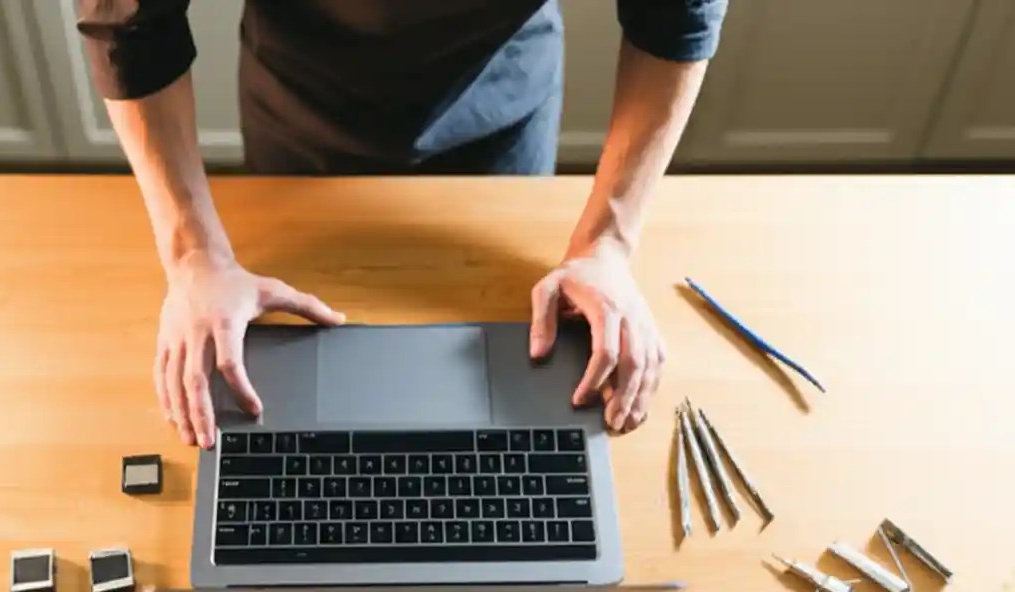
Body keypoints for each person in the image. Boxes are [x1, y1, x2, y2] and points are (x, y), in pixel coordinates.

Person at [77, 0, 728, 449]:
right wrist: (193, 257)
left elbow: (678, 13)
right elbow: (129, 23)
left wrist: (608, 244)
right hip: (300, 115)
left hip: (502, 110)